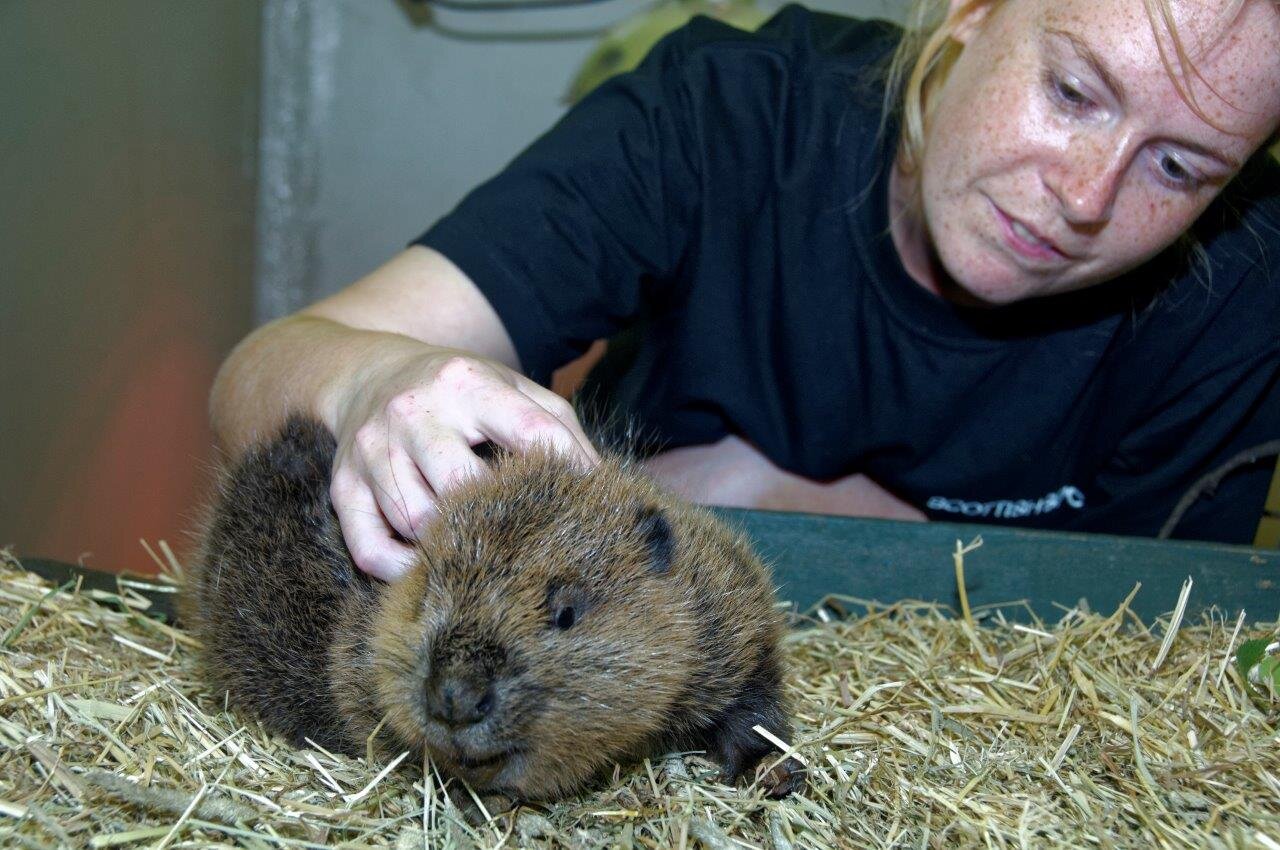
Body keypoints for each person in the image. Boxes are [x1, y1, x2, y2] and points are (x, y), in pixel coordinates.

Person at [211, 0, 1280, 581]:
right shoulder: (723, 117)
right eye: (1071, 90)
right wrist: (375, 387)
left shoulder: (1240, 292)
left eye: (1179, 167)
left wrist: (789, 500)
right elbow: (261, 373)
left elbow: (1147, 654)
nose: (1085, 197)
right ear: (972, 8)